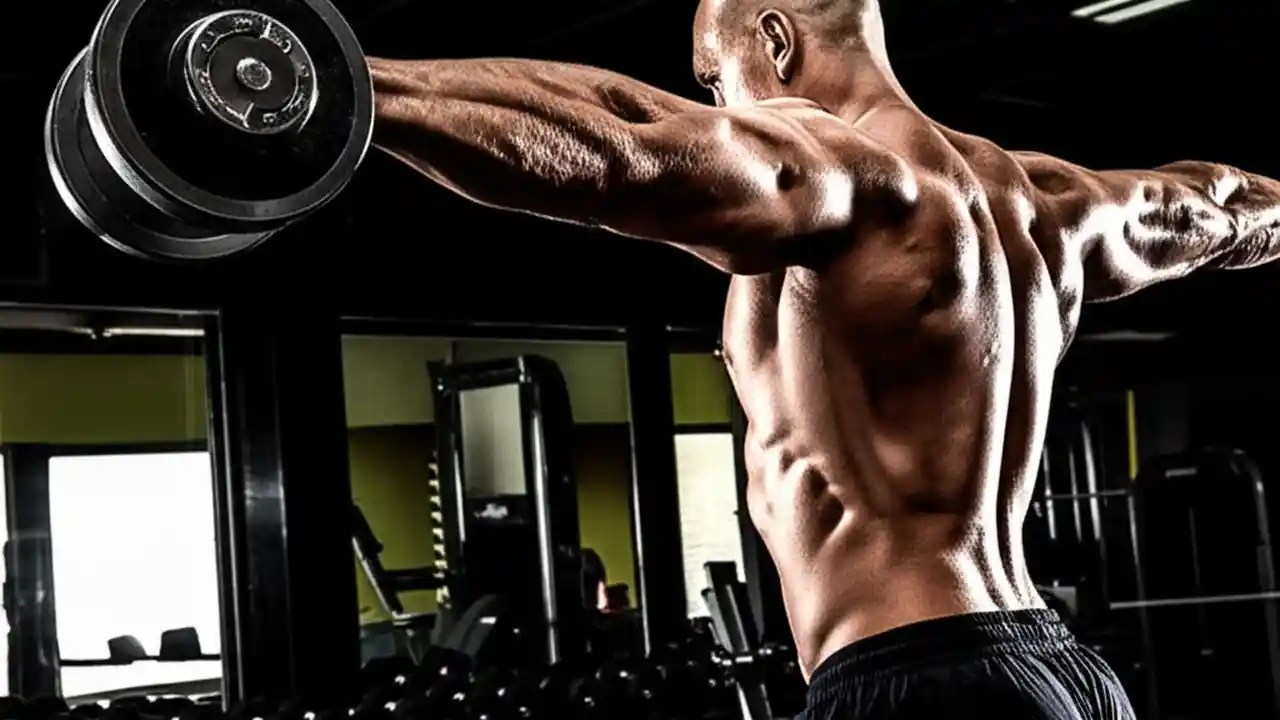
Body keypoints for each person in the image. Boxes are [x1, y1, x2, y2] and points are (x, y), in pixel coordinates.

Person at [367, 0, 1280, 716]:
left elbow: (625, 146)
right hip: (1062, 669)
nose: (719, 106)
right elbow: (1218, 209)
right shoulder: (1049, 205)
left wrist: (355, 87)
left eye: (713, 77)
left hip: (918, 681)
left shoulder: (855, 181)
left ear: (774, 40)